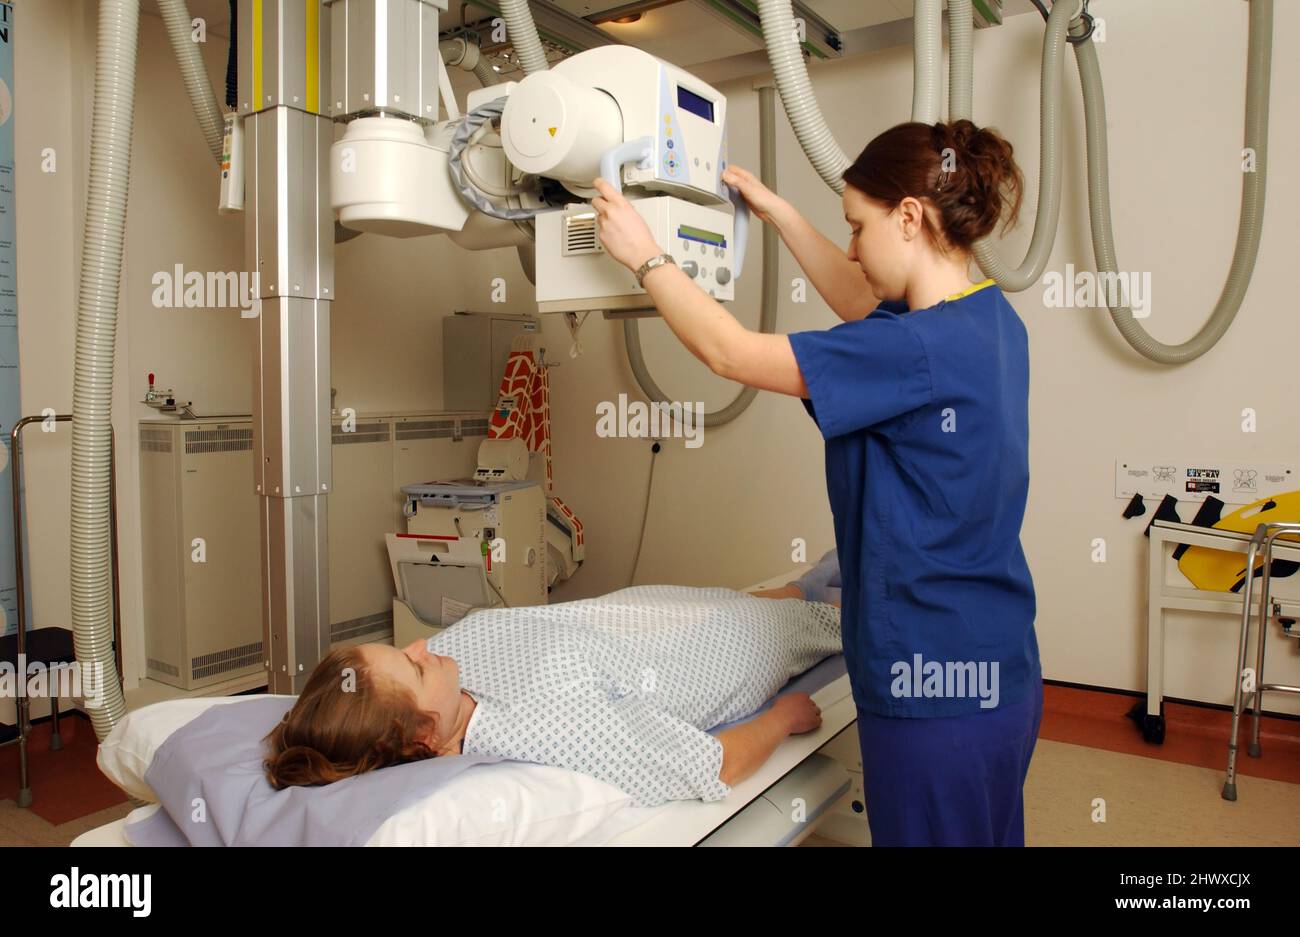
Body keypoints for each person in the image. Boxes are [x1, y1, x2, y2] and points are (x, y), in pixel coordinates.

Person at [591, 119, 1043, 845]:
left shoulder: (910, 349)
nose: (855, 250)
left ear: (909, 215)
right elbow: (866, 305)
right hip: (1001, 675)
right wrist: (781, 214)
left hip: (928, 692)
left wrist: (645, 257)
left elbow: (728, 352)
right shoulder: (989, 321)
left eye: (858, 228)